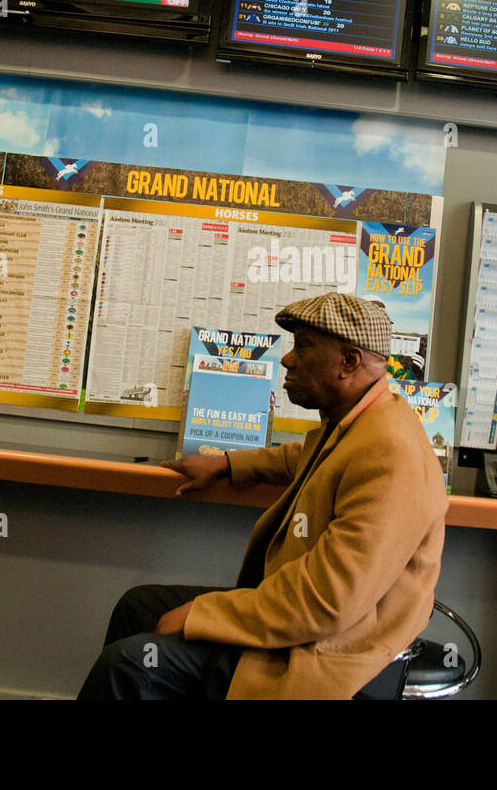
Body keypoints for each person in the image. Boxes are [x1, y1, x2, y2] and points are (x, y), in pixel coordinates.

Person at [79, 292, 449, 699]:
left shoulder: (390, 451)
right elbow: (306, 457)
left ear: (348, 362)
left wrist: (202, 615)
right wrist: (228, 463)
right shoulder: (360, 423)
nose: (288, 360)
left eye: (304, 346)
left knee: (130, 665)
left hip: (333, 648)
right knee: (138, 607)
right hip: (311, 621)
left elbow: (327, 601)